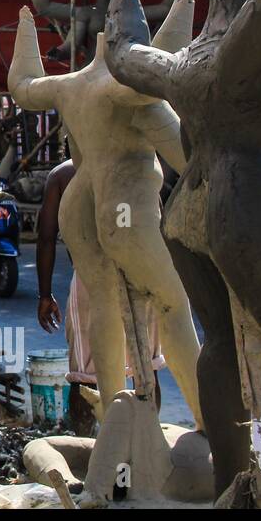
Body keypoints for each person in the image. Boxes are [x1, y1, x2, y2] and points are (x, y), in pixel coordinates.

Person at [36, 160, 164, 436]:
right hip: (141, 272)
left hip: (90, 278)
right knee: (146, 369)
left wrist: (45, 295)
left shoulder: (64, 174)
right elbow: (157, 223)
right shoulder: (138, 161)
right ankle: (148, 443)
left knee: (85, 378)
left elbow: (46, 237)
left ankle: (89, 449)